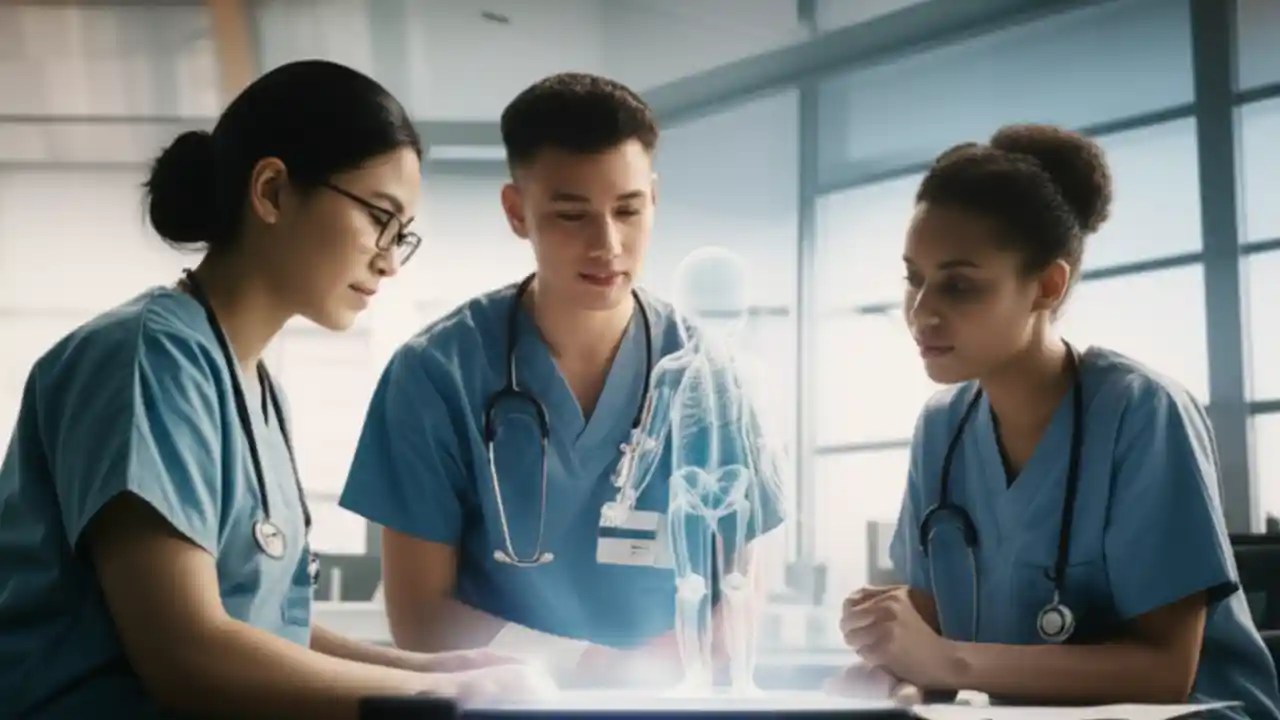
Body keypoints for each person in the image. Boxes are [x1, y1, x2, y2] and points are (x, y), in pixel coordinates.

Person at [0, 60, 552, 720]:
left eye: (402, 234)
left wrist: (436, 667)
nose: (390, 259)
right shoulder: (147, 357)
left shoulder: (255, 389)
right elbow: (189, 655)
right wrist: (440, 693)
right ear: (271, 191)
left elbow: (262, 631)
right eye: (380, 217)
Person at [338, 72, 786, 689]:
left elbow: (744, 567)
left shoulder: (707, 376)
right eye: (572, 215)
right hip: (502, 704)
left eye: (628, 210)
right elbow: (419, 615)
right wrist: (592, 669)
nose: (608, 244)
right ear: (517, 212)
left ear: (653, 199)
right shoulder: (436, 375)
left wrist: (704, 652)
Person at [832, 124, 1280, 718]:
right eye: (915, 278)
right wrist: (886, 673)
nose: (921, 313)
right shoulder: (941, 430)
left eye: (959, 285)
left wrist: (947, 663)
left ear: (1046, 285)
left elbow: (1167, 673)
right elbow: (929, 643)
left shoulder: (1143, 413)